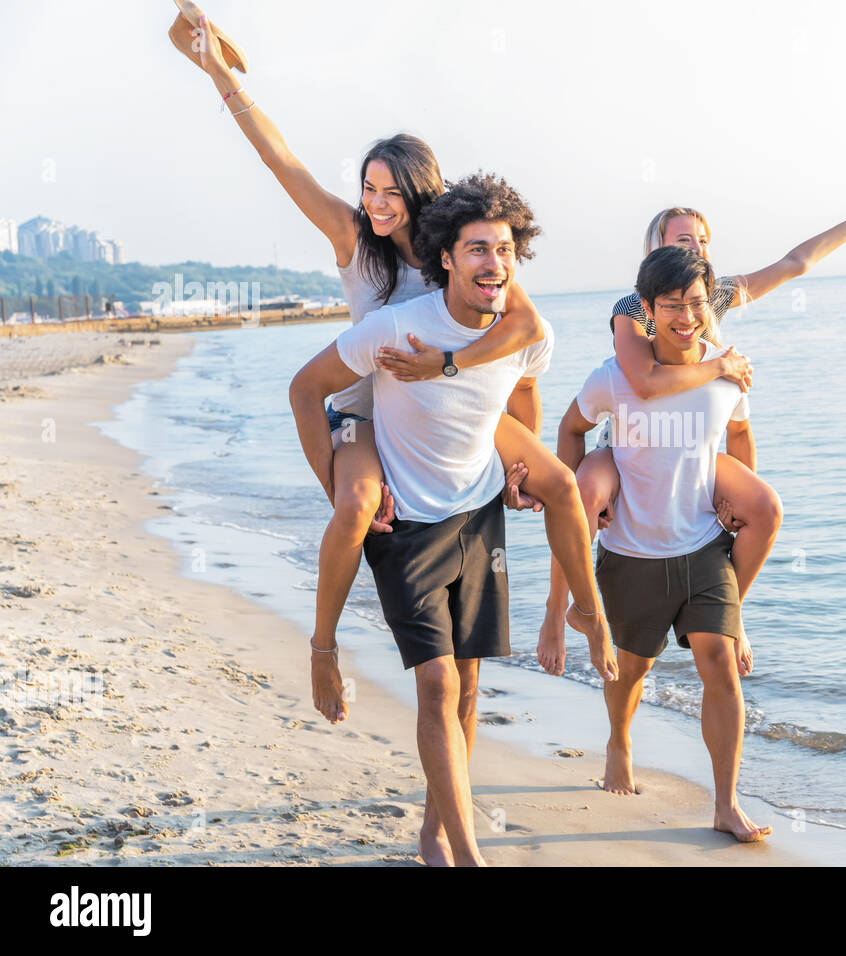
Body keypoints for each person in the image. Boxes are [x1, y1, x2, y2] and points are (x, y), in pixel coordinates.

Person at [177, 17, 567, 725]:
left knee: (559, 485)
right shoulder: (355, 239)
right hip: (363, 411)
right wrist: (219, 75)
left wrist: (462, 384)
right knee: (357, 508)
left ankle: (579, 626)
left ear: (422, 191)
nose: (377, 203)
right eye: (368, 188)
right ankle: (323, 648)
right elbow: (281, 162)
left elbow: (526, 339)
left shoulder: (461, 250)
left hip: (448, 408)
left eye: (390, 190)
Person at [290, 173, 619, 865]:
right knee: (438, 683)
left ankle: (438, 833)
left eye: (501, 249)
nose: (491, 263)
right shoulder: (395, 329)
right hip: (406, 523)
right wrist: (335, 483)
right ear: (446, 257)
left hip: (475, 521)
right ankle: (467, 854)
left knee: (468, 685)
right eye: (476, 249)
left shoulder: (526, 332)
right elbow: (306, 387)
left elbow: (525, 392)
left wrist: (515, 474)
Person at [538, 196, 846, 679]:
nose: (697, 248)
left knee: (762, 507)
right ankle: (561, 611)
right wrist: (721, 365)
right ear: (655, 251)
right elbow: (645, 383)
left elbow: (795, 263)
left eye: (703, 240)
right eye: (684, 239)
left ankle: (731, 614)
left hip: (694, 442)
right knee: (580, 496)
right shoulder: (633, 308)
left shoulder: (716, 295)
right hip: (629, 441)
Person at [558, 245, 771, 841]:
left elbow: (741, 434)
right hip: (632, 552)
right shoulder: (613, 377)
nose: (687, 317)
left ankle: (726, 802)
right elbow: (571, 427)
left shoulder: (728, 371)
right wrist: (576, 490)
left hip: (703, 545)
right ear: (648, 310)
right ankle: (619, 743)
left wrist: (734, 499)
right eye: (672, 305)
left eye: (697, 303)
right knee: (632, 670)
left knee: (720, 666)